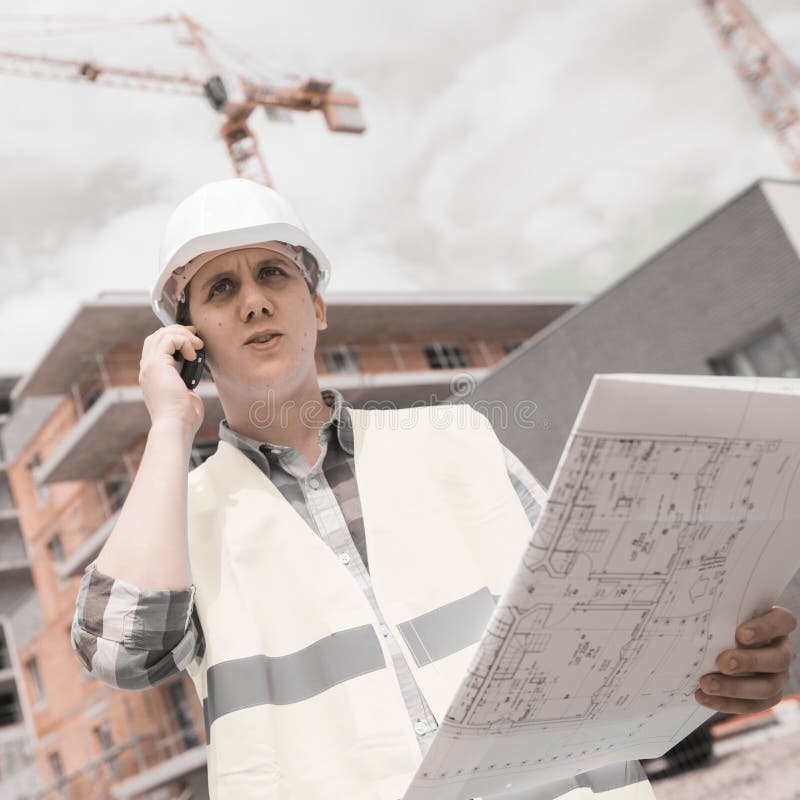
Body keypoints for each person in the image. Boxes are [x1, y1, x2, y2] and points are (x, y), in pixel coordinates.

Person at [71, 178, 797, 800]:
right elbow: (118, 653)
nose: (255, 303)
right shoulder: (182, 516)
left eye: (274, 274)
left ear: (316, 307)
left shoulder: (460, 442)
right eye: (221, 288)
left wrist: (713, 671)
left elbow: (597, 637)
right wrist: (170, 427)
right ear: (187, 339)